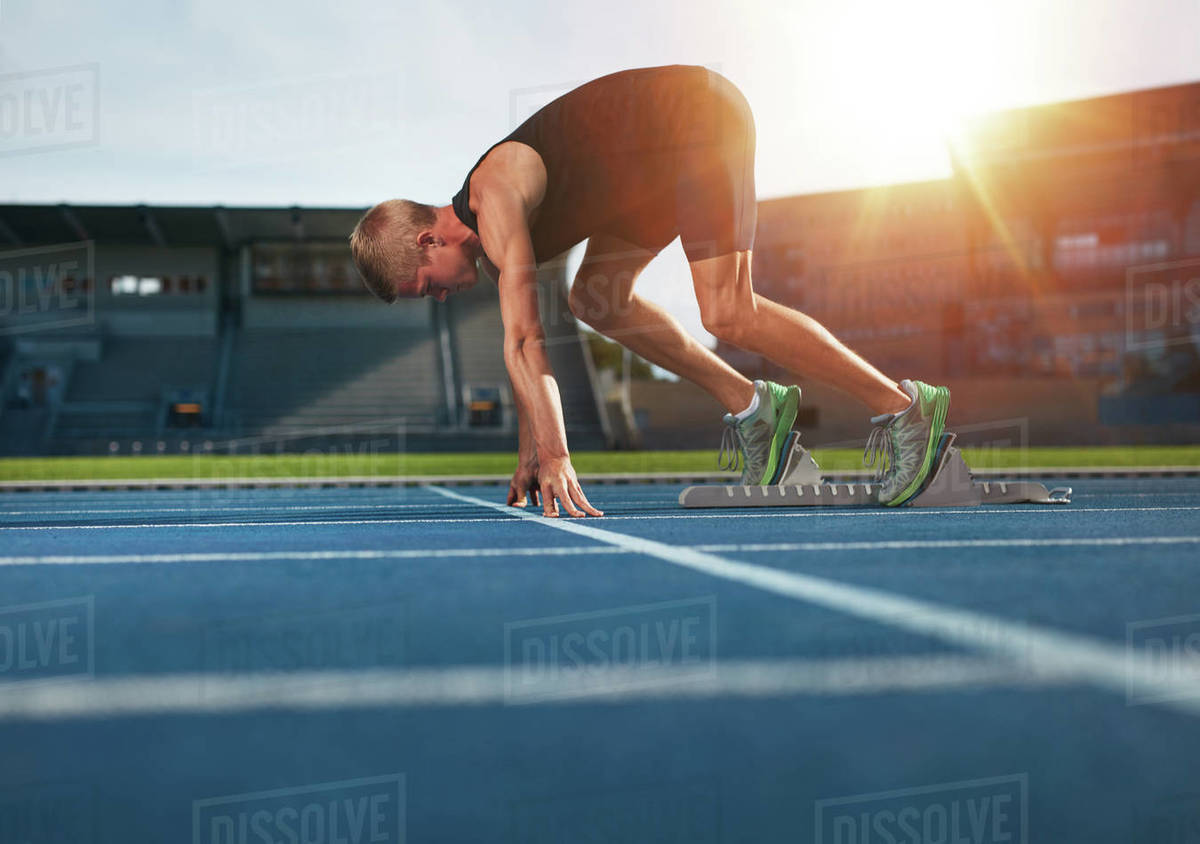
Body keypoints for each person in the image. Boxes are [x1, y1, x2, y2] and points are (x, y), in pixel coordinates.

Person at [350, 64, 950, 518]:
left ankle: (905, 410)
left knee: (727, 311)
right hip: (644, 173)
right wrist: (529, 453)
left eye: (423, 288)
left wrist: (558, 455)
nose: (439, 298)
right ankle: (754, 406)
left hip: (695, 120)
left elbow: (525, 340)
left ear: (428, 241)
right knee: (596, 300)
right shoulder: (493, 230)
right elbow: (532, 343)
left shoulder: (496, 197)